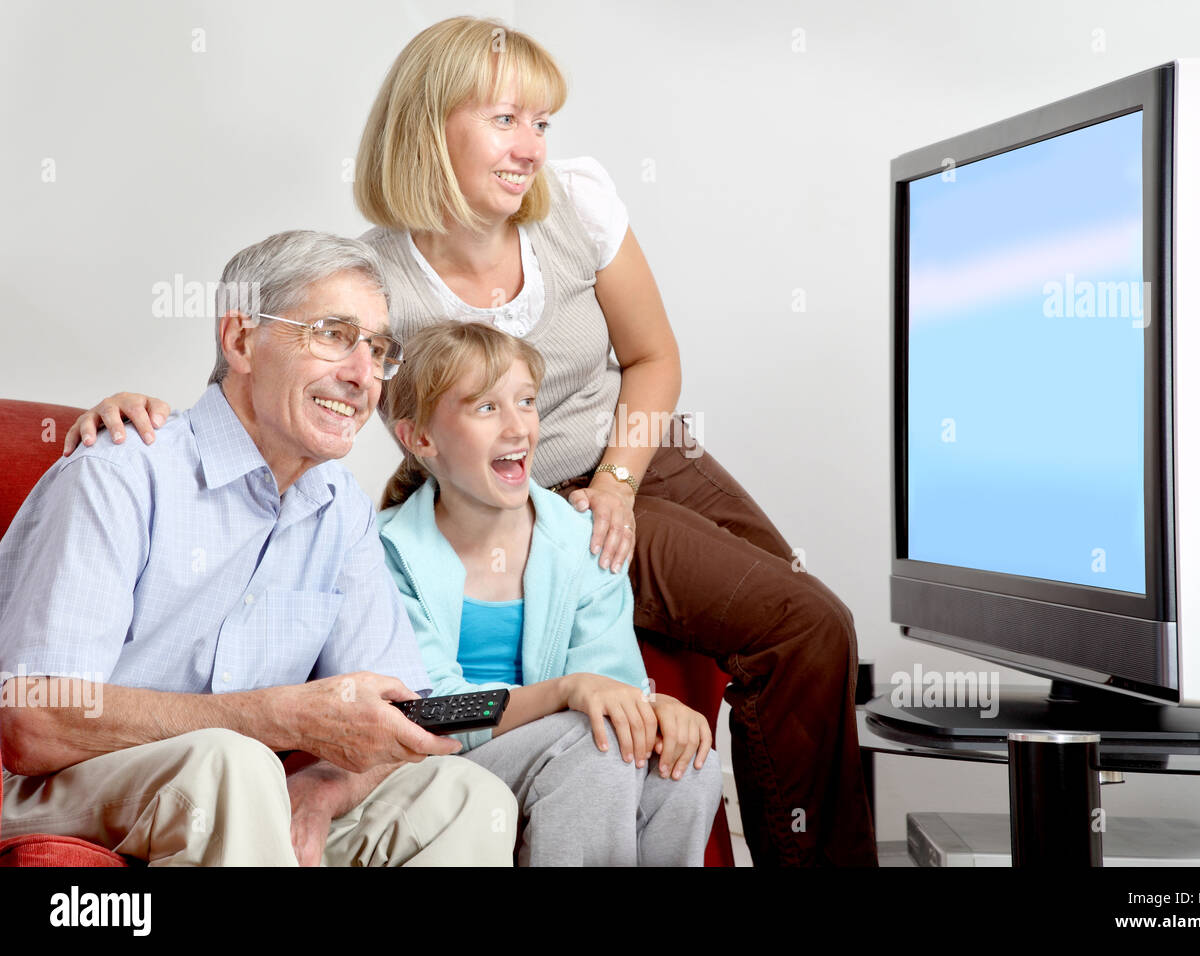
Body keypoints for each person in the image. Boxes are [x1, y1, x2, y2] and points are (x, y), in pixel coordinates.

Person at [63, 16, 876, 866]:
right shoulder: (377, 281)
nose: (531, 147)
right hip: (529, 498)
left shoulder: (580, 204)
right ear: (429, 127)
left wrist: (622, 484)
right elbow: (267, 373)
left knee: (816, 629)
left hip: (638, 454)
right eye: (504, 119)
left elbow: (652, 356)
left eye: (541, 122)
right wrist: (137, 412)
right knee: (797, 629)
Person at [3, 230, 517, 866]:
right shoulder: (121, 472)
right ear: (241, 339)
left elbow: (396, 723)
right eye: (334, 334)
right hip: (62, 785)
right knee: (233, 761)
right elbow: (34, 722)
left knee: (461, 794)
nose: (363, 375)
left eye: (379, 350)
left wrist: (322, 790)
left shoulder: (341, 508)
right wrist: (278, 719)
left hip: (234, 796)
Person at [378, 320, 721, 865]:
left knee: (685, 766)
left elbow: (613, 685)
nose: (517, 427)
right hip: (434, 771)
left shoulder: (580, 537)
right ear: (421, 439)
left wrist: (658, 708)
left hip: (559, 752)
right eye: (486, 408)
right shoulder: (386, 553)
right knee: (596, 745)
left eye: (527, 401)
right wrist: (564, 693)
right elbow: (429, 714)